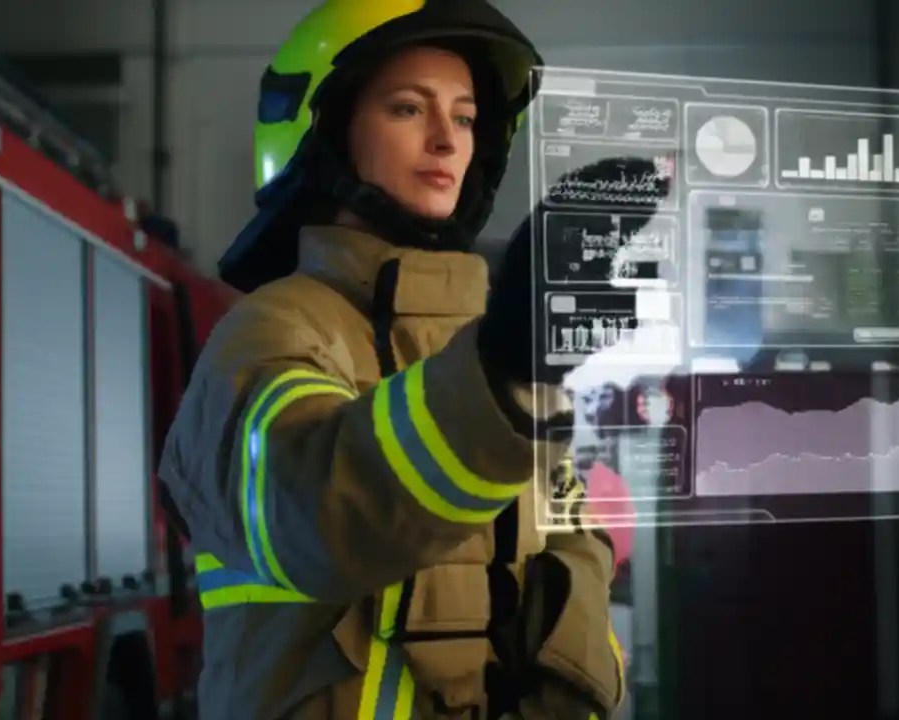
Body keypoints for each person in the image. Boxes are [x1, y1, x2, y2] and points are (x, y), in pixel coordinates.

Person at [158, 1, 631, 717]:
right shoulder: (273, 330)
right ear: (328, 134)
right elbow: (318, 510)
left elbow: (570, 555)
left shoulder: (485, 346)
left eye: (466, 117)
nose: (446, 140)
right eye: (409, 109)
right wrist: (500, 378)